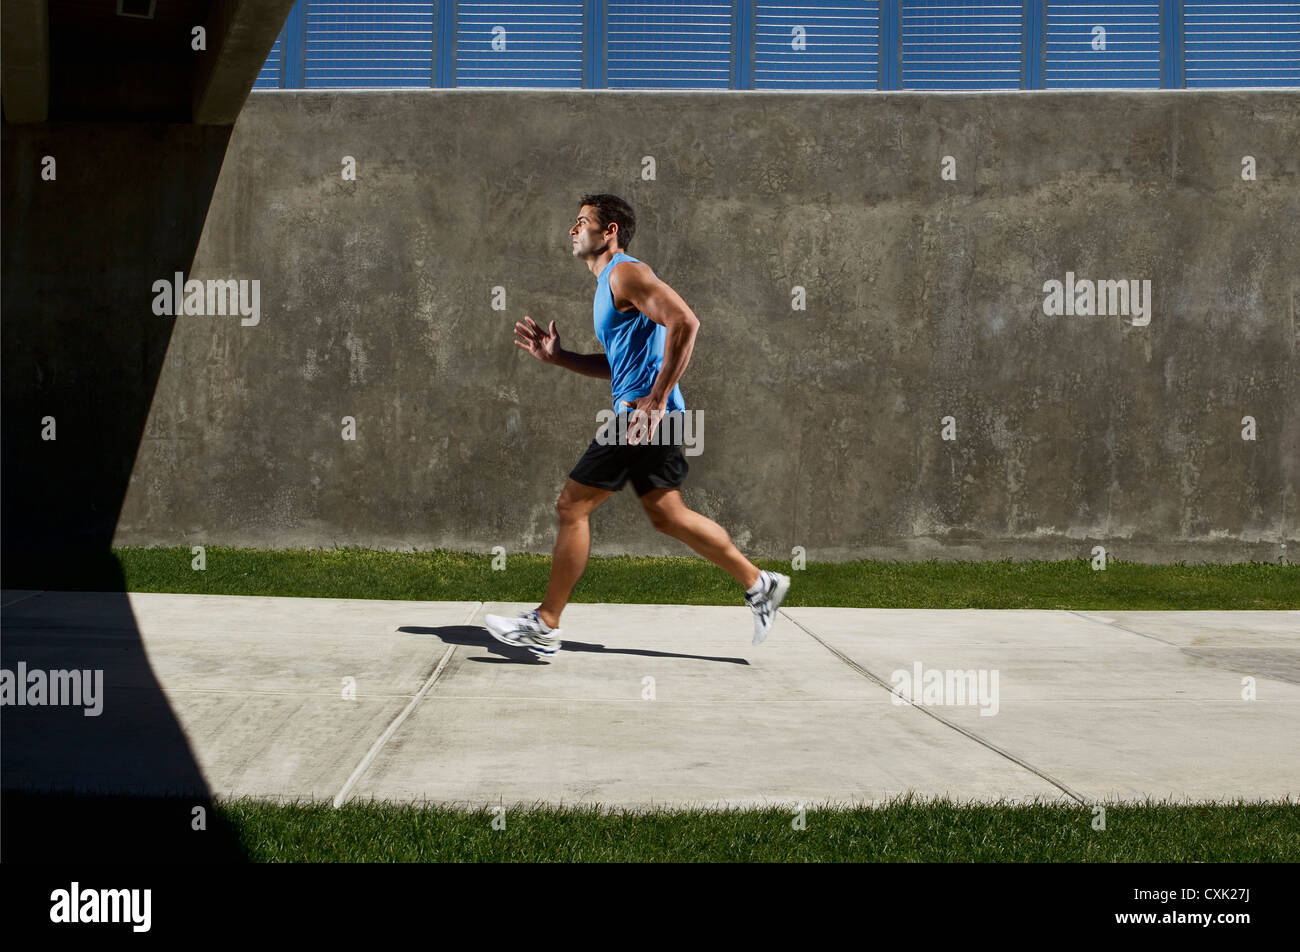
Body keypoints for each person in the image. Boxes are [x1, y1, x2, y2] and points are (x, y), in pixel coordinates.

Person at [484, 194, 789, 658]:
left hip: (642, 417)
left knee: (571, 507)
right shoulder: (609, 283)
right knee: (668, 514)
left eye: (582, 222)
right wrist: (559, 357)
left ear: (609, 231)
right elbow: (620, 364)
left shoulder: (626, 272)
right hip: (652, 416)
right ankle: (758, 582)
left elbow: (686, 321)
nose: (573, 229)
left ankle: (544, 625)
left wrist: (657, 399)